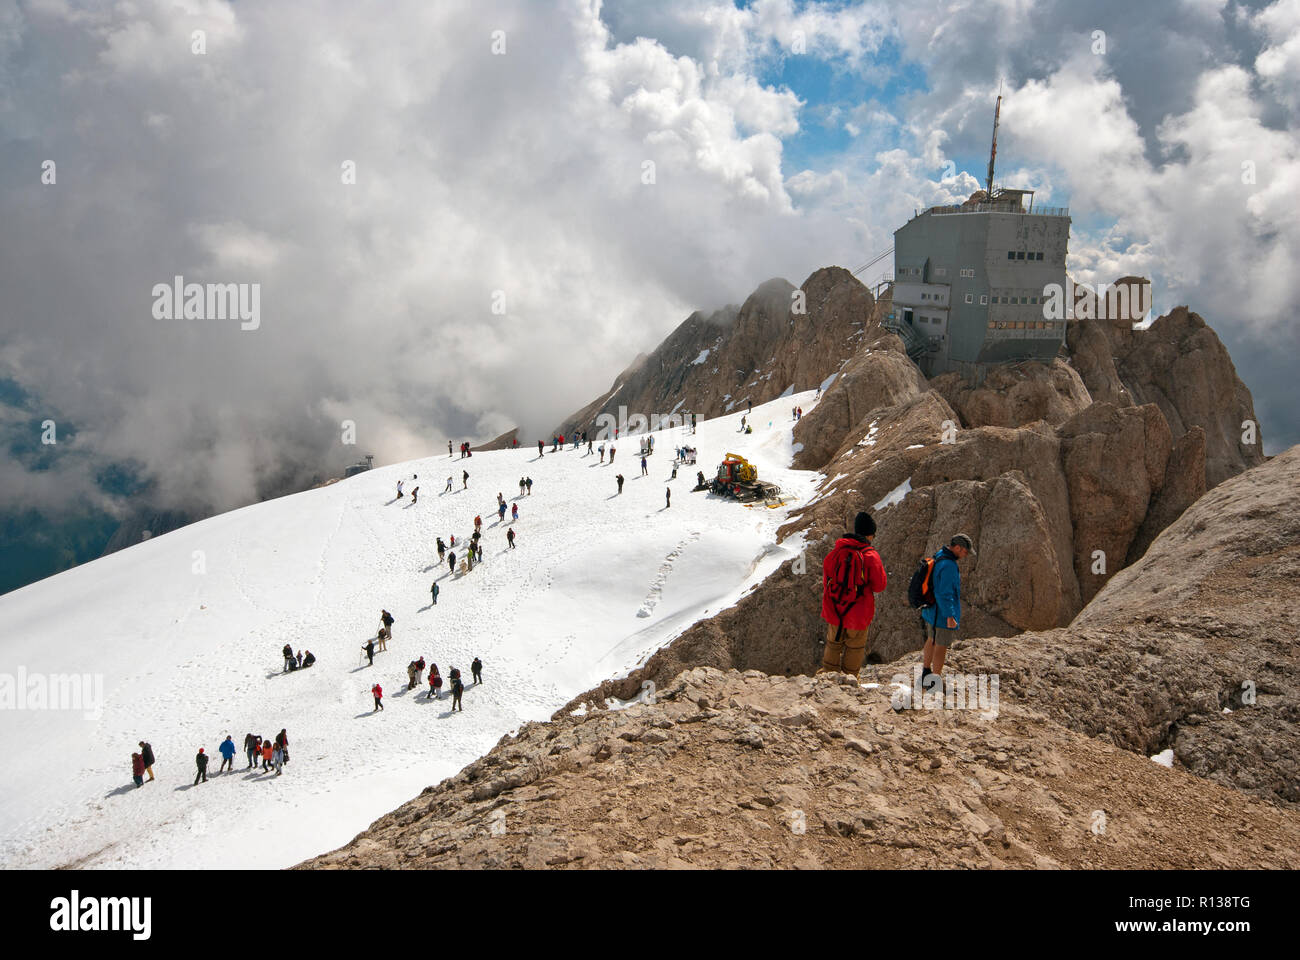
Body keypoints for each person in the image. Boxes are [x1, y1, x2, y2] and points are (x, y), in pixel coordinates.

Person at [819, 512, 887, 677]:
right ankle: (849, 679)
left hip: (835, 608)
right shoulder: (870, 556)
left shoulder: (836, 552)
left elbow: (826, 579)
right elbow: (880, 585)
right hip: (858, 613)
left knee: (833, 643)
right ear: (870, 534)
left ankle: (828, 676)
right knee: (854, 647)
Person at [920, 534, 975, 687]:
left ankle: (926, 671)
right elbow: (944, 593)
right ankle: (935, 681)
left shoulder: (940, 555)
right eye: (965, 552)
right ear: (958, 548)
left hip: (931, 610)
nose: (966, 555)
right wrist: (950, 615)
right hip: (942, 613)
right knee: (941, 645)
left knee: (931, 639)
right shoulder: (949, 565)